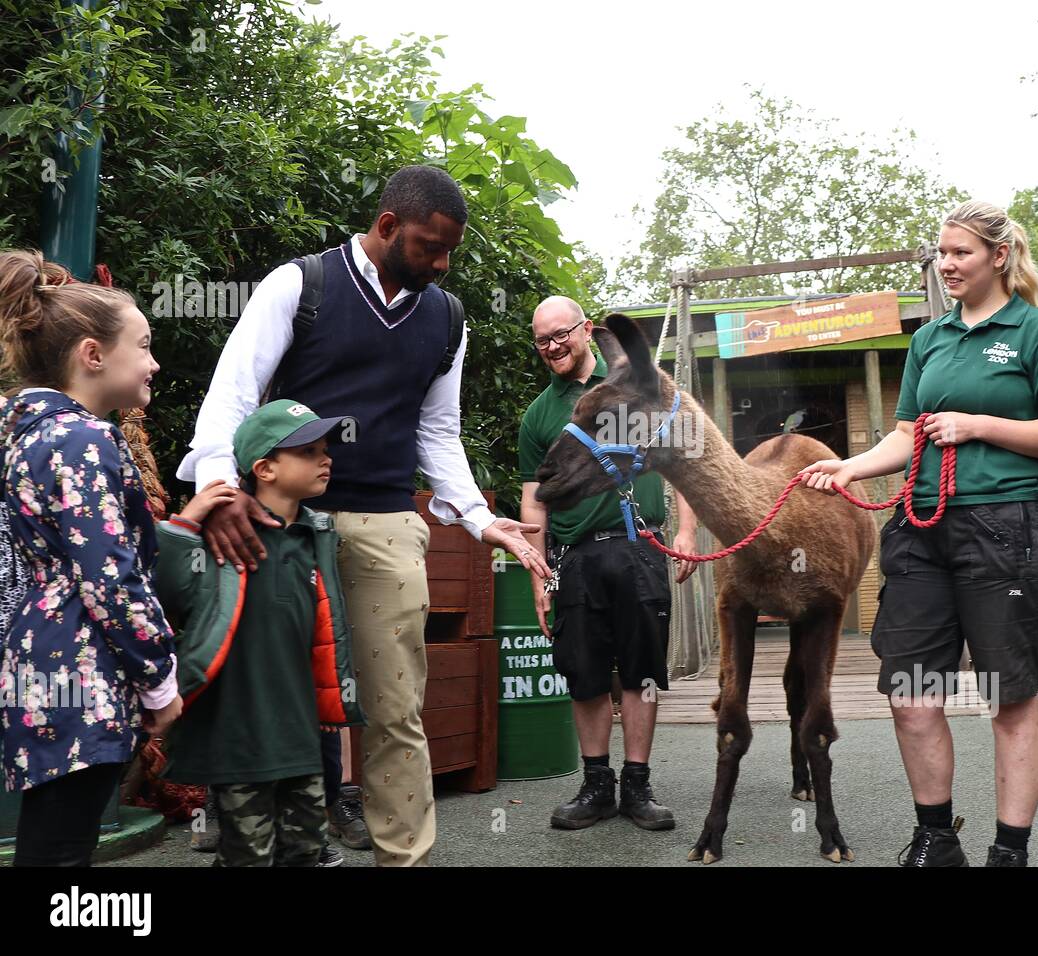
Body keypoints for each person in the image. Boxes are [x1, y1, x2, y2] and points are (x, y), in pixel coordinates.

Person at [176, 165, 547, 866]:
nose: (441, 265)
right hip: (281, 526)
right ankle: (250, 841)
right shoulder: (302, 285)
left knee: (396, 707)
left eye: (450, 253)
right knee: (268, 695)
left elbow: (437, 432)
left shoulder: (446, 318)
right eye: (430, 247)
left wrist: (476, 516)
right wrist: (222, 490)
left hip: (386, 524)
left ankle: (404, 856)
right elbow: (233, 393)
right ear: (386, 227)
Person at [800, 201, 1038, 867]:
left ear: (998, 256)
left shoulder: (1037, 333)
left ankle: (1009, 851)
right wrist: (846, 467)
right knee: (910, 693)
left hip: (1003, 531)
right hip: (921, 533)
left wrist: (978, 425)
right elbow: (906, 436)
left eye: (960, 252)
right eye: (941, 252)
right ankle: (937, 838)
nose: (946, 263)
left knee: (1005, 698)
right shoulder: (929, 340)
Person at [0, 249, 181, 866]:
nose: (155, 362)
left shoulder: (29, 437)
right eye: (145, 345)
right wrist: (159, 680)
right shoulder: (82, 439)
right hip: (83, 667)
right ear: (93, 355)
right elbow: (110, 577)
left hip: (39, 660)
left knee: (50, 838)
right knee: (64, 849)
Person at [155, 399, 365, 866]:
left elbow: (329, 635)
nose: (325, 459)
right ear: (265, 468)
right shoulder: (225, 536)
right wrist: (188, 520)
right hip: (240, 737)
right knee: (247, 855)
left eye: (325, 449)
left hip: (302, 735)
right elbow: (169, 595)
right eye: (308, 451)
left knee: (307, 851)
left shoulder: (317, 535)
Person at [519, 296, 697, 831]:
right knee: (585, 672)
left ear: (585, 330)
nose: (553, 346)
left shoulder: (634, 394)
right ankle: (597, 786)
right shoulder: (539, 414)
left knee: (641, 671)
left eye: (561, 335)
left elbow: (681, 463)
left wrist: (687, 529)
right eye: (542, 340)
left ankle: (637, 785)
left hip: (637, 545)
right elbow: (534, 501)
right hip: (574, 554)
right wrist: (537, 571)